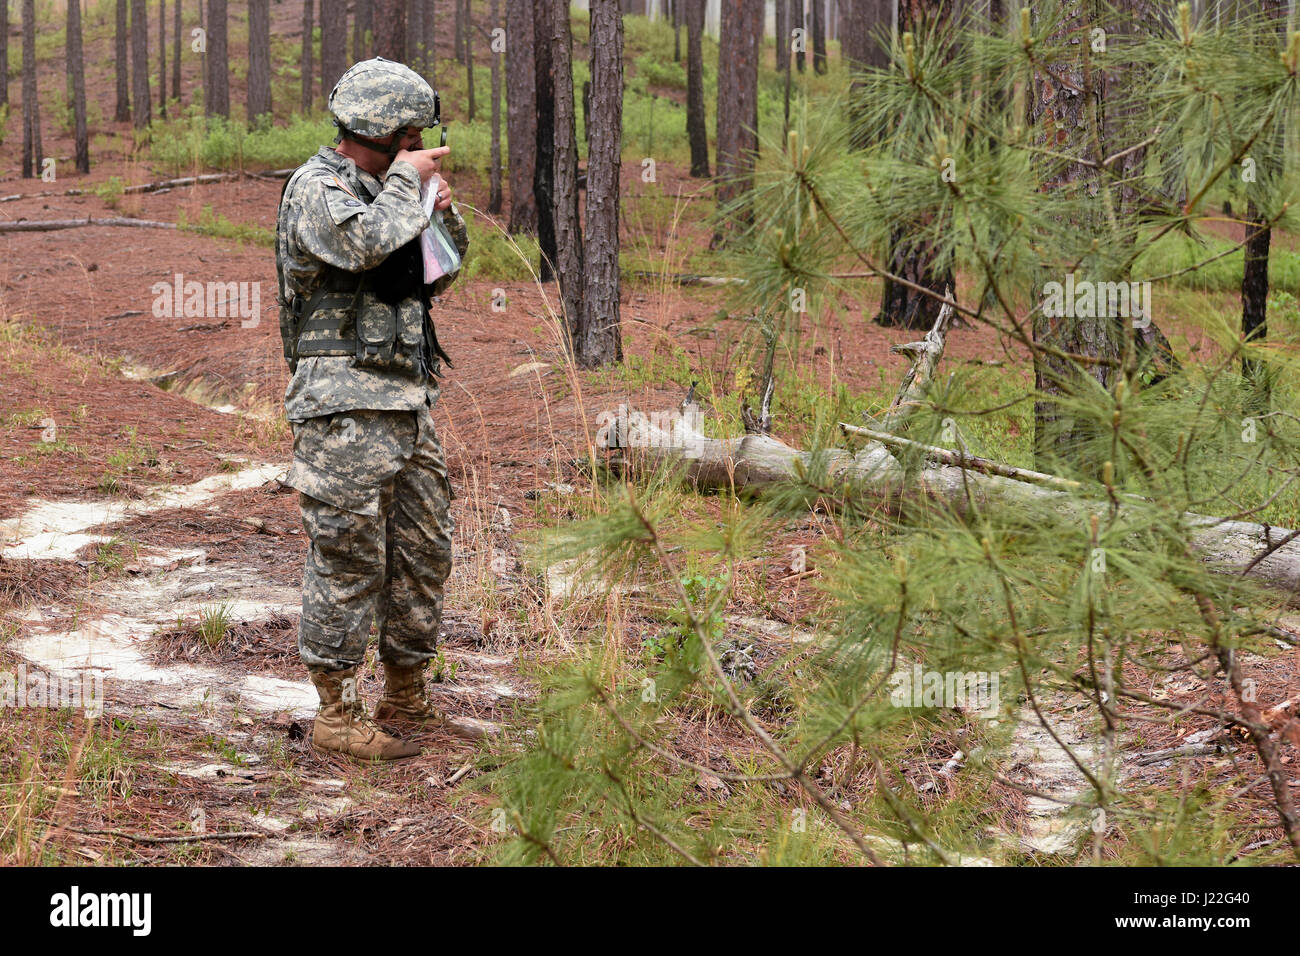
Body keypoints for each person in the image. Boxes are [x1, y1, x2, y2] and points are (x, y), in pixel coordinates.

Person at [274, 57, 471, 761]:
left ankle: (407, 692)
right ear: (384, 129)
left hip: (407, 402)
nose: (420, 143)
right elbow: (357, 244)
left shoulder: (388, 189)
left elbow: (436, 276)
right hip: (343, 410)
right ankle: (335, 714)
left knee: (423, 553)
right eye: (412, 132)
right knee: (349, 558)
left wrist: (436, 218)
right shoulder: (317, 189)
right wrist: (402, 189)